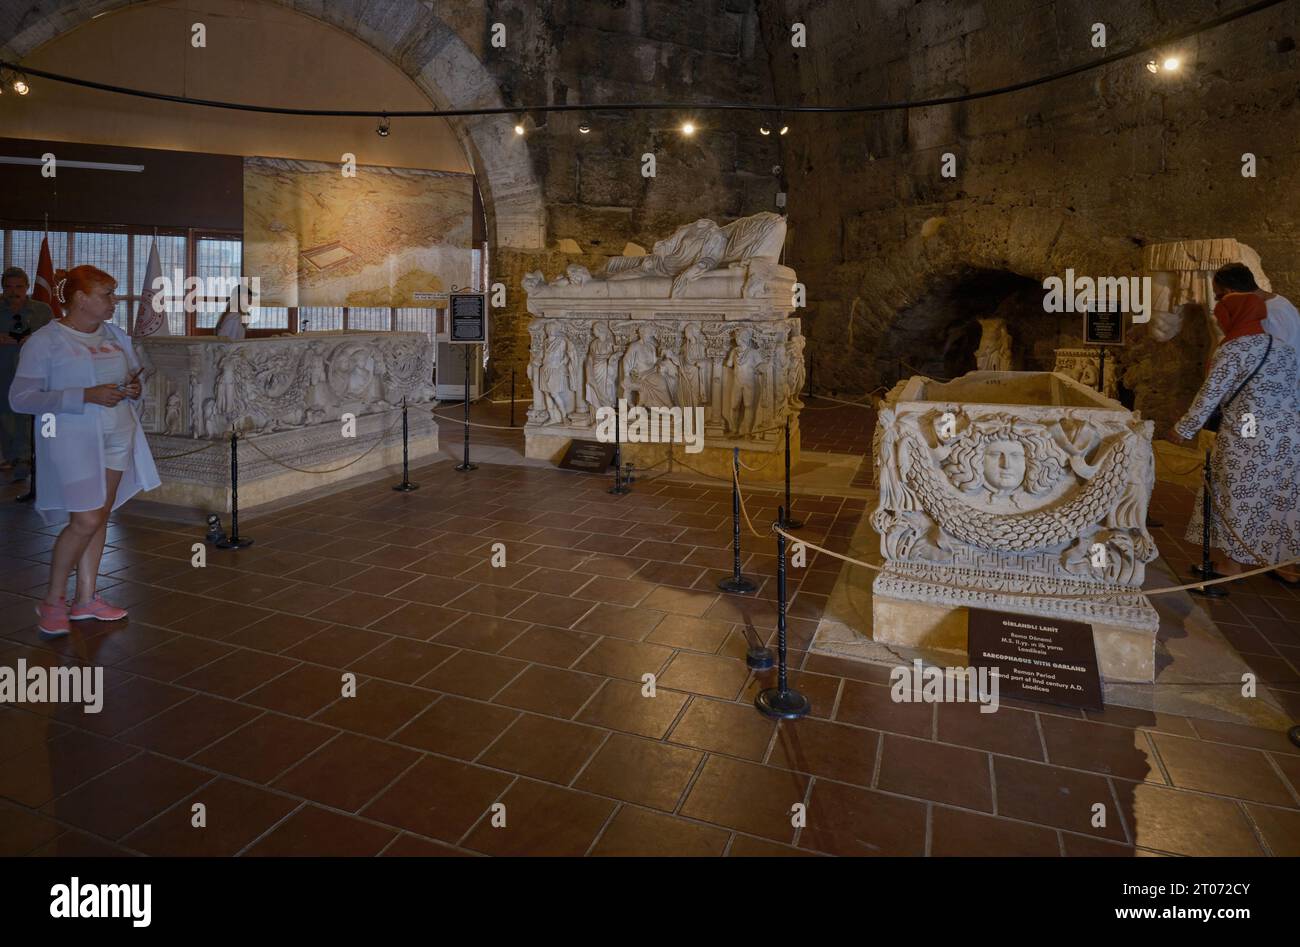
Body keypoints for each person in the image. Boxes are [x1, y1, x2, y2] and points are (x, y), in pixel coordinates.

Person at [9, 265, 162, 635]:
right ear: (80, 299)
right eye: (106, 295)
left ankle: (86, 598)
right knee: (85, 520)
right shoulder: (46, 341)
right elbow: (22, 398)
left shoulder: (114, 335)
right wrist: (86, 396)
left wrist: (132, 390)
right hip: (71, 439)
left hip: (117, 433)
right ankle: (52, 601)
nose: (113, 302)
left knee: (101, 514)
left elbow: (131, 374)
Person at [1165, 285, 1300, 585]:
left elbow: (1211, 393)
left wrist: (1184, 428)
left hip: (1248, 433)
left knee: (1238, 496)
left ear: (1234, 316)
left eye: (1221, 315)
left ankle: (1232, 565)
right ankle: (1285, 565)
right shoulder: (1285, 349)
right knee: (1280, 499)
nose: (1219, 321)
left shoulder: (1234, 349)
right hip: (1287, 434)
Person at [1211, 262, 1300, 396]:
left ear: (1230, 292)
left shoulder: (1267, 315)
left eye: (1218, 297)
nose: (1220, 302)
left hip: (1273, 396)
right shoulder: (1279, 301)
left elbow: (1269, 365)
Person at [1, 266, 54, 479]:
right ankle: (16, 458)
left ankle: (28, 458)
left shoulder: (42, 311)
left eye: (19, 287)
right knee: (6, 416)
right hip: (3, 371)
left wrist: (34, 340)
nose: (14, 292)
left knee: (30, 416)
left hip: (34, 372)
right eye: (9, 287)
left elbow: (55, 338)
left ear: (28, 286)